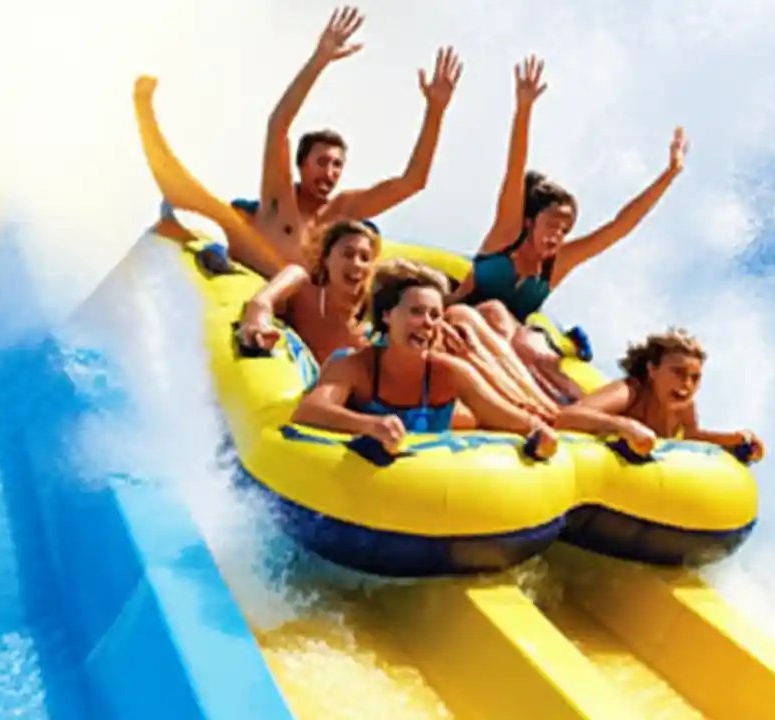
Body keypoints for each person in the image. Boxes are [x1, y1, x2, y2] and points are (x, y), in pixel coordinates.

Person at [447, 54, 690, 401]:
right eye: (552, 225)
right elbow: (514, 170)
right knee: (494, 313)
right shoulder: (504, 237)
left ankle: (577, 410)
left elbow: (619, 227)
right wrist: (524, 109)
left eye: (566, 229)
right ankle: (534, 406)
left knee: (532, 343)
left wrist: (669, 175)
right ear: (529, 222)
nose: (559, 236)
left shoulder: (557, 263)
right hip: (468, 328)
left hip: (514, 344)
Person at [238, 6, 462, 275]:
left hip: (306, 309)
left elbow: (412, 182)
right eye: (322, 162)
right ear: (301, 164)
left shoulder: (343, 210)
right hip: (259, 289)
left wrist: (435, 110)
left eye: (337, 165)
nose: (330, 172)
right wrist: (319, 60)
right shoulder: (278, 196)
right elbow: (278, 126)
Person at [291, 259, 559, 457]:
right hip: (355, 484)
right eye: (416, 311)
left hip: (424, 492)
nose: (427, 323)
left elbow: (504, 415)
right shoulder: (354, 366)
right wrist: (369, 425)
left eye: (435, 315)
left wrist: (537, 430)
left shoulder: (451, 373)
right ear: (387, 315)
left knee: (470, 418)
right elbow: (309, 411)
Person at [554, 327, 763, 460]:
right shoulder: (629, 392)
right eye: (678, 372)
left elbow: (691, 435)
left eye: (695, 377)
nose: (687, 384)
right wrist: (624, 425)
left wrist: (734, 438)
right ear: (652, 370)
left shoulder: (683, 401)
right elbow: (565, 416)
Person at [237, 219, 380, 365]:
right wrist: (258, 323)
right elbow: (262, 302)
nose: (356, 264)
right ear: (326, 259)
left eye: (365, 258)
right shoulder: (299, 283)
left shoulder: (366, 333)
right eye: (348, 254)